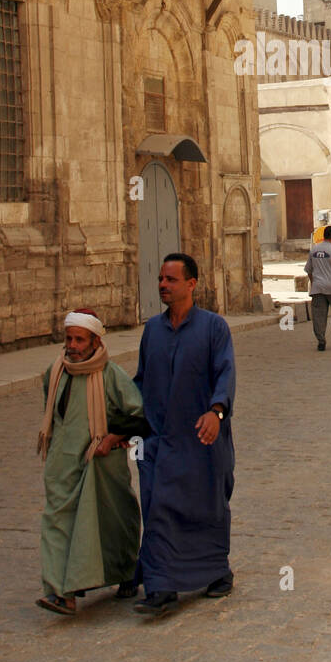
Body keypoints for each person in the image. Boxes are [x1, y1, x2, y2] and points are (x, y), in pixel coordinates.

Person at [132, 254, 236, 618]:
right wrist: (121, 426)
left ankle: (215, 572)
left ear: (191, 284)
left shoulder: (213, 328)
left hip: (203, 441)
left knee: (207, 508)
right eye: (160, 278)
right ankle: (161, 585)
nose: (163, 285)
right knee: (159, 506)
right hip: (161, 440)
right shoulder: (152, 331)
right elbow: (140, 383)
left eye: (171, 279)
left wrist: (216, 412)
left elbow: (225, 375)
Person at [36, 308, 149, 616]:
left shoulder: (112, 376)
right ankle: (62, 592)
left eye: (79, 340)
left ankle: (125, 571)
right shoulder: (55, 372)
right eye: (68, 339)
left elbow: (139, 417)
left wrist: (112, 438)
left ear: (95, 341)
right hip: (62, 462)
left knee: (112, 520)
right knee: (57, 521)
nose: (72, 346)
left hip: (101, 464)